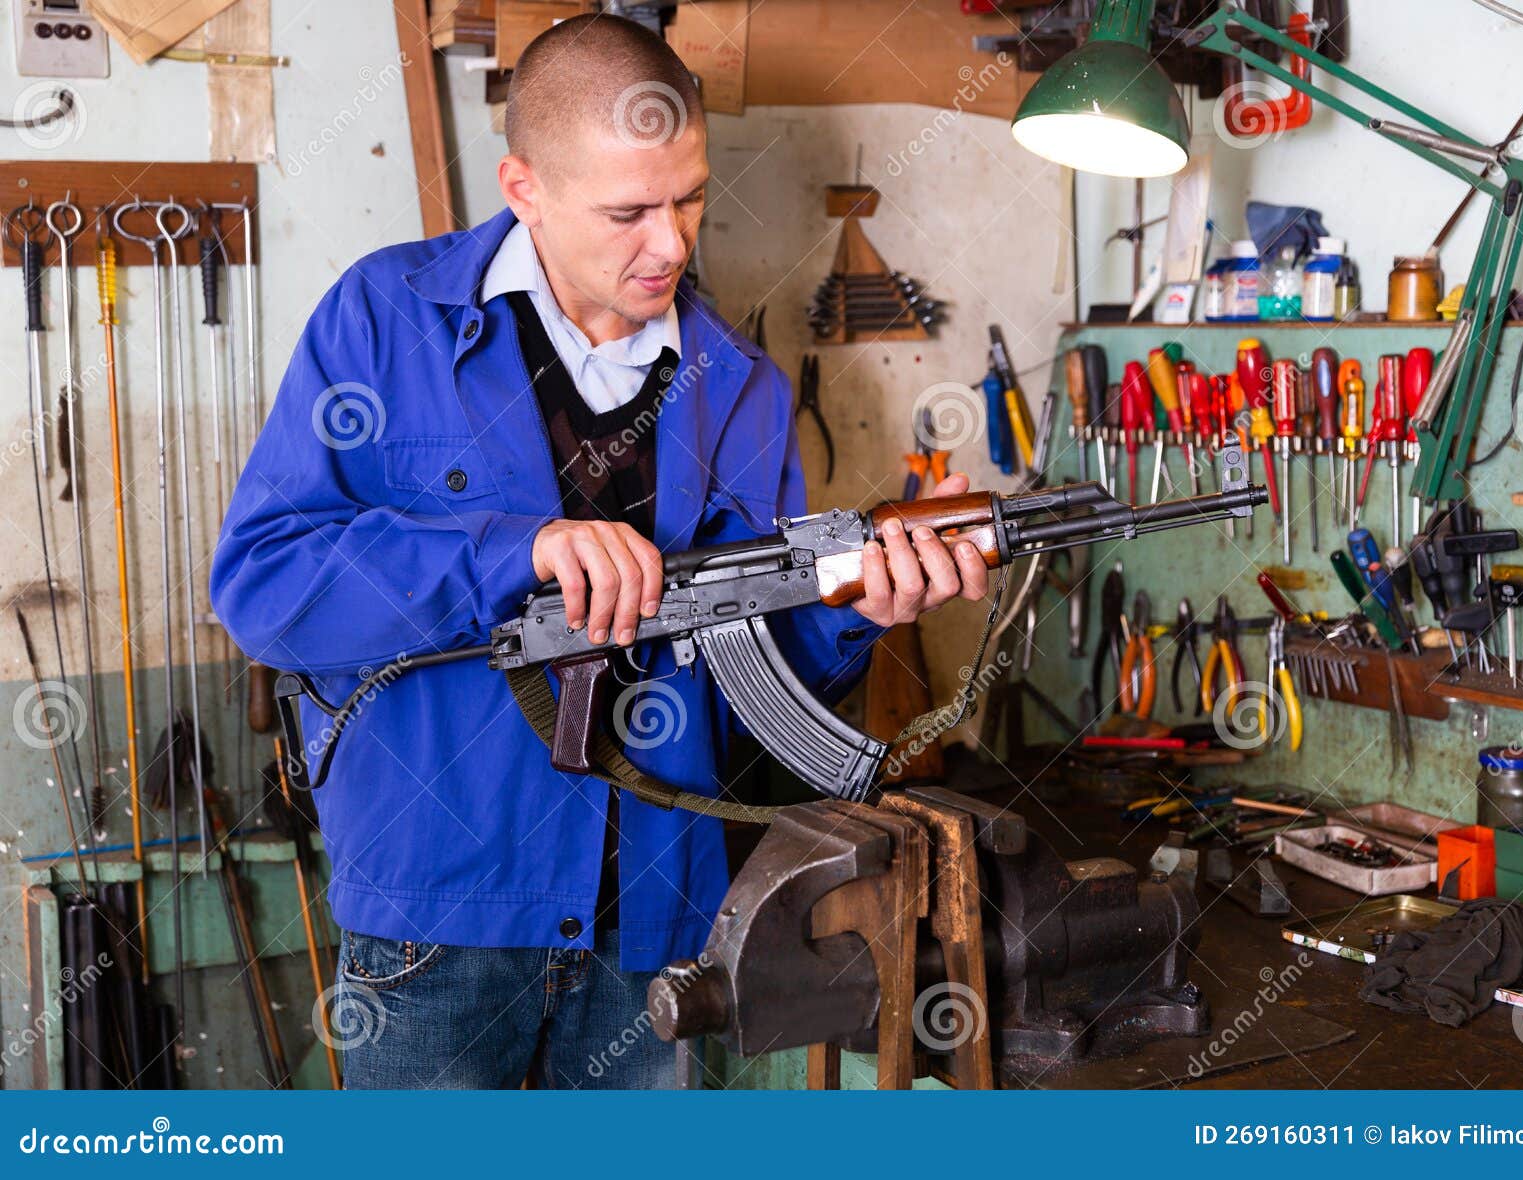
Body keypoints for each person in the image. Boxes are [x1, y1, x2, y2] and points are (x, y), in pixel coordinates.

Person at [211, 13, 989, 1090]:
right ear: (523, 187)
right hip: (442, 920)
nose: (670, 243)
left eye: (689, 197)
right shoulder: (384, 322)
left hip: (654, 925)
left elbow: (749, 667)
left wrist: (861, 607)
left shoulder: (740, 385)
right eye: (628, 210)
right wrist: (516, 549)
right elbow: (265, 584)